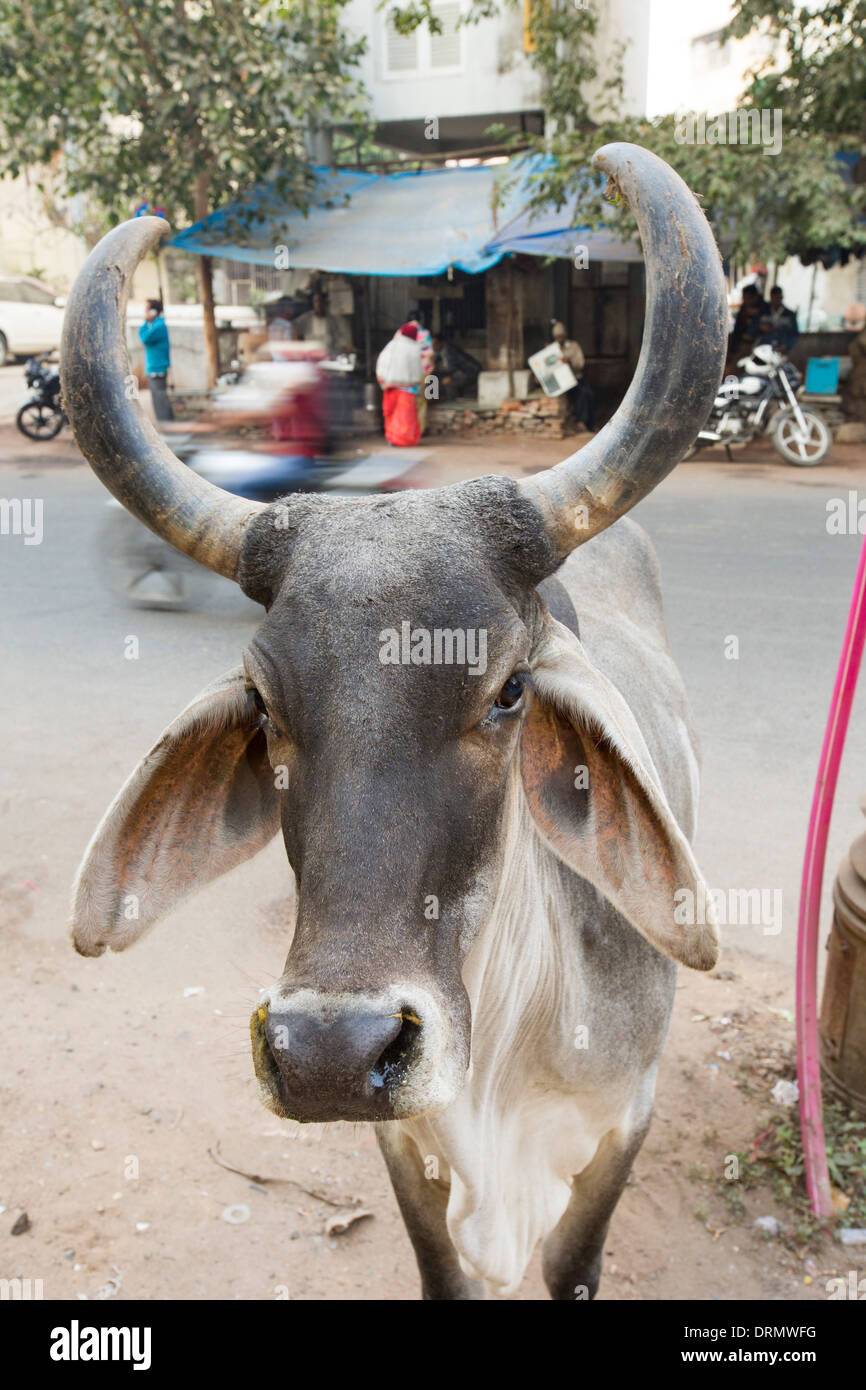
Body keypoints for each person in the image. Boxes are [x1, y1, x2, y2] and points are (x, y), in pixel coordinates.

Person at [376, 323, 423, 447]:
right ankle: (406, 439)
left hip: (390, 386)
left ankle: (392, 438)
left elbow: (382, 363)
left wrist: (383, 380)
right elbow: (418, 369)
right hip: (408, 388)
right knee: (406, 415)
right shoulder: (415, 348)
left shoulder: (391, 345)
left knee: (391, 413)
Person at [552, 320, 594, 429]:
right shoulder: (552, 349)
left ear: (564, 335)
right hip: (560, 381)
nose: (559, 339)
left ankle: (583, 422)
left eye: (561, 336)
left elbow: (580, 364)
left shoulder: (574, 346)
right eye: (557, 337)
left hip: (575, 378)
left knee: (585, 393)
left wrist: (570, 362)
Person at [138, 298, 173, 422]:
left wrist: (145, 322)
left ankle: (166, 425)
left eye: (147, 310)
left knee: (160, 400)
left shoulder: (159, 326)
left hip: (157, 368)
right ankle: (165, 424)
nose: (145, 313)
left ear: (153, 311)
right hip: (154, 367)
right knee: (158, 399)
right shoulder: (156, 325)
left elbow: (144, 338)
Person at [295, 290, 352, 358]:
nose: (319, 304)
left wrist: (346, 345)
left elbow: (338, 337)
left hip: (328, 355)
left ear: (325, 303)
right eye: (316, 301)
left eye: (321, 301)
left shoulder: (332, 320)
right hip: (310, 356)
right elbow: (296, 331)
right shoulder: (305, 319)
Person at [431, 331, 481, 399]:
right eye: (432, 344)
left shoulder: (448, 350)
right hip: (462, 371)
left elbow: (452, 369)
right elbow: (435, 361)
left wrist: (450, 378)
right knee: (435, 376)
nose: (434, 346)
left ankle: (454, 402)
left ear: (443, 342)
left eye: (436, 343)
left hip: (471, 372)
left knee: (448, 382)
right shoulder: (440, 350)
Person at [729, 284, 768, 358]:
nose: (746, 300)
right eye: (744, 298)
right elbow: (737, 329)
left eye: (749, 298)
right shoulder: (744, 309)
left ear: (756, 297)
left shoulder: (765, 309)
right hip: (742, 343)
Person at [757, 285, 799, 353]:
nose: (776, 300)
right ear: (770, 297)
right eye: (774, 297)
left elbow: (794, 335)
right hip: (763, 349)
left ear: (782, 297)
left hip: (782, 350)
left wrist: (786, 345)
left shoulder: (789, 315)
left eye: (778, 297)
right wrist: (760, 327)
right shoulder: (763, 313)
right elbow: (753, 328)